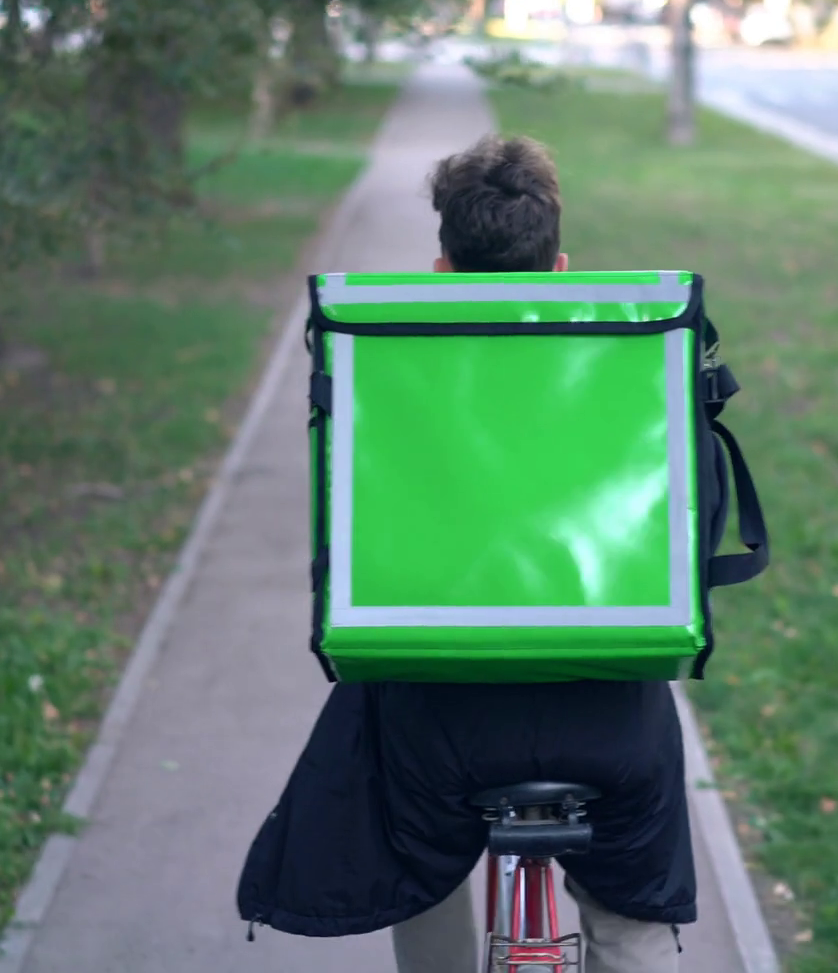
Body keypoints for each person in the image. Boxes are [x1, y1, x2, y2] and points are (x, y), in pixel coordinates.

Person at [236, 134, 693, 973]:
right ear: (562, 268)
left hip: (437, 727)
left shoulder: (385, 355)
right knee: (633, 905)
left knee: (413, 850)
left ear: (441, 269)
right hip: (607, 718)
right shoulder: (627, 351)